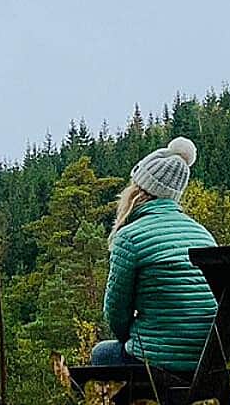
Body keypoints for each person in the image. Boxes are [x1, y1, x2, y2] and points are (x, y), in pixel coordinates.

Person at [92, 136, 218, 373]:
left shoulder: (129, 238)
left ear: (137, 191)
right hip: (207, 361)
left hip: (158, 364)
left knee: (102, 353)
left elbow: (116, 316)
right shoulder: (203, 234)